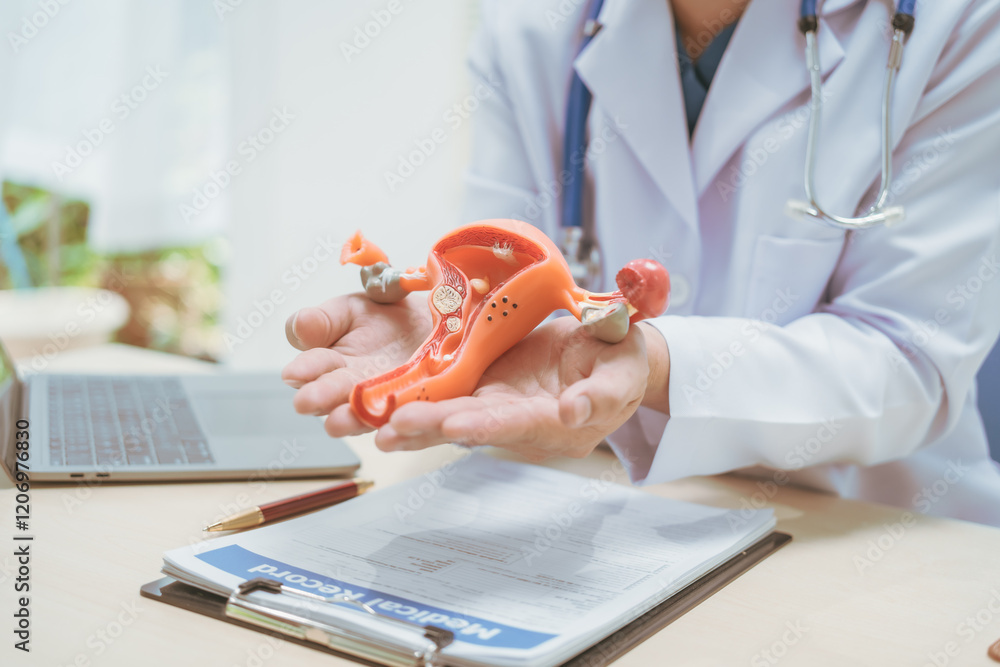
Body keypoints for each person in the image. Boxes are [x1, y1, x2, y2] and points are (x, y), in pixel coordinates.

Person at [282, 0, 1000, 526]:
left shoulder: (953, 22)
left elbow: (910, 355)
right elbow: (498, 271)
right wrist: (442, 314)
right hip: (594, 513)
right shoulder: (531, 23)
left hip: (873, 531)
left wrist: (659, 367)